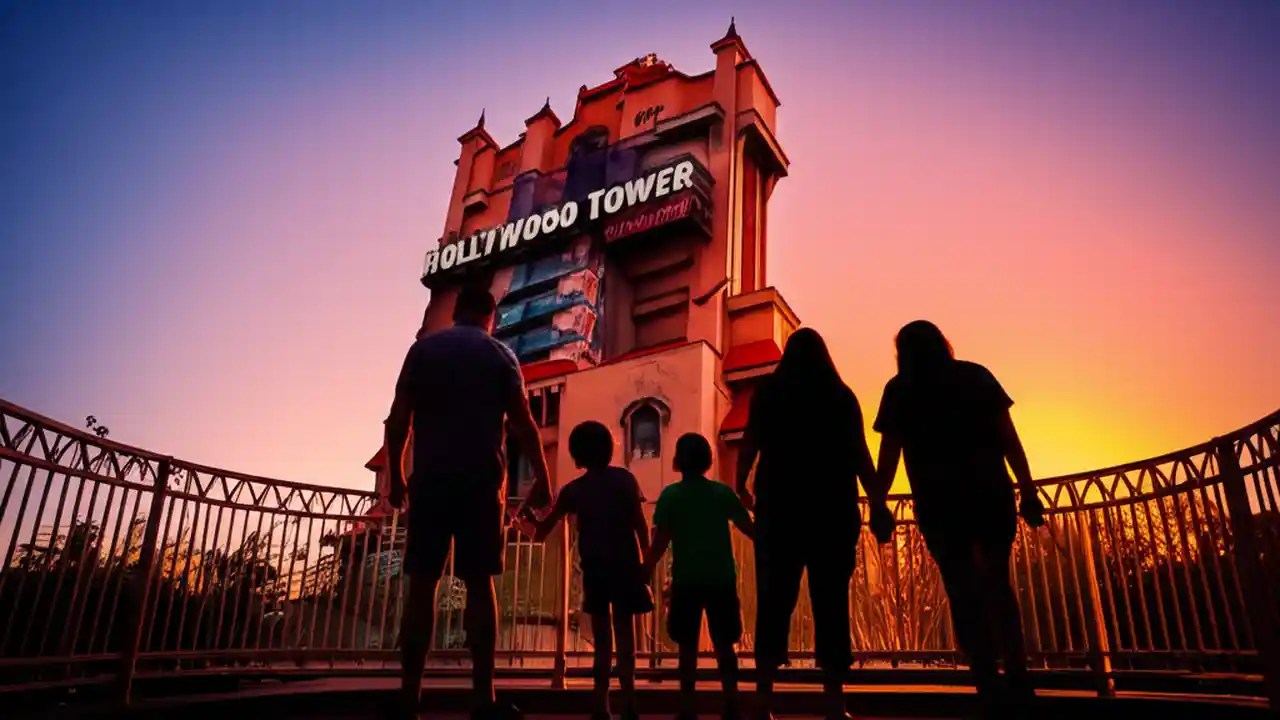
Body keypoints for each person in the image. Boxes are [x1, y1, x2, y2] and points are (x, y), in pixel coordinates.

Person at [384, 285, 552, 720]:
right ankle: (483, 699)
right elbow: (523, 423)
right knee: (480, 585)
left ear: (456, 312)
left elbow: (399, 418)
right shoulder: (500, 356)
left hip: (431, 482)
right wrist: (542, 478)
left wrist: (399, 478)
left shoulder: (422, 351)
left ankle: (408, 698)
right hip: (482, 484)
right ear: (491, 317)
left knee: (421, 584)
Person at [871, 320, 1045, 714]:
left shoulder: (899, 390)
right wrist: (1029, 490)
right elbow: (1008, 438)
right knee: (999, 586)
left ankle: (986, 680)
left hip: (939, 504)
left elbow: (889, 456)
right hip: (990, 495)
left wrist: (879, 503)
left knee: (962, 590)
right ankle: (1019, 676)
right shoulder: (977, 376)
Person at [735, 328, 882, 720]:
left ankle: (764, 700)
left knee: (773, 602)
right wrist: (879, 502)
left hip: (780, 513)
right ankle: (835, 700)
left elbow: (751, 439)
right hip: (832, 514)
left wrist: (740, 482)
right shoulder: (840, 395)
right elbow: (859, 454)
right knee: (832, 604)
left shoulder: (769, 391)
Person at [530, 421, 652, 720]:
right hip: (626, 567)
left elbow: (543, 529)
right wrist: (646, 561)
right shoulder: (625, 480)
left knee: (602, 640)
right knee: (625, 636)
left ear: (577, 453)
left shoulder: (574, 490)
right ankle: (630, 703)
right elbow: (640, 524)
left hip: (596, 571)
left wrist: (529, 520)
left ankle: (601, 705)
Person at [646, 433, 754, 720]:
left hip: (686, 580)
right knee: (725, 645)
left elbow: (660, 542)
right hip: (721, 579)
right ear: (708, 460)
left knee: (687, 647)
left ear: (678, 461)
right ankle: (732, 704)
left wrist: (645, 568)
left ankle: (687, 707)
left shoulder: (670, 496)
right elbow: (749, 527)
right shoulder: (721, 494)